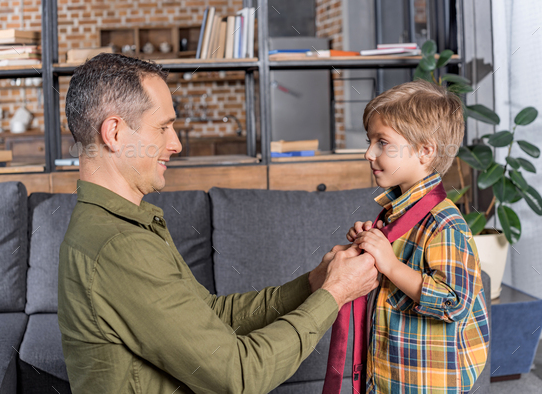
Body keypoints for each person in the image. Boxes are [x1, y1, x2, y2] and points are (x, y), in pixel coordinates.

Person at [58, 53, 379, 394]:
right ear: (115, 133)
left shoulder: (117, 227)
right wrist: (336, 293)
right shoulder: (120, 246)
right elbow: (239, 375)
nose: (176, 144)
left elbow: (210, 315)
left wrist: (315, 283)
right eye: (164, 127)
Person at [346, 80, 490, 393]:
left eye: (382, 142)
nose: (369, 153)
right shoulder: (395, 214)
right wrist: (370, 246)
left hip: (426, 380)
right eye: (370, 141)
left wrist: (390, 264)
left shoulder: (444, 225)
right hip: (390, 372)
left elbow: (453, 303)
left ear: (425, 151)